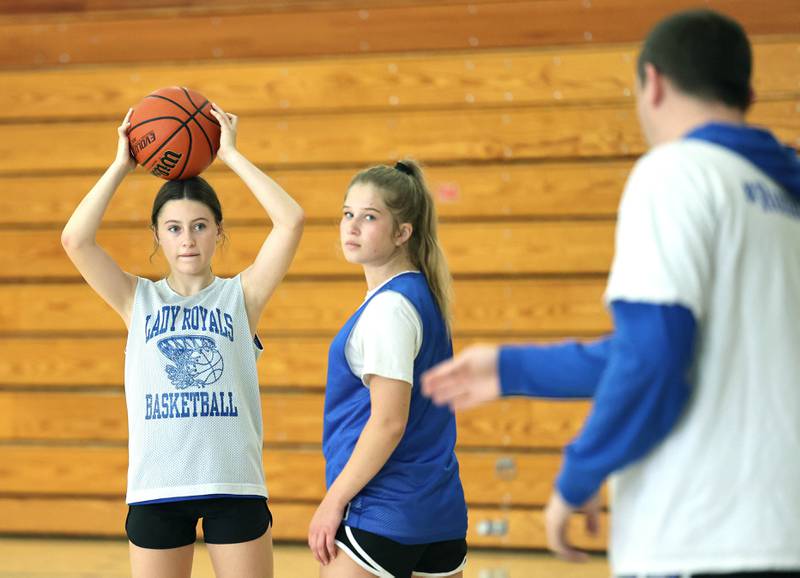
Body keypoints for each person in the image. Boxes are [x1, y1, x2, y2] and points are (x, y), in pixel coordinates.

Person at [421, 9, 800, 578]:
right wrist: (512, 368)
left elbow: (655, 360)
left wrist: (583, 469)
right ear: (748, 92)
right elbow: (677, 352)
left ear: (653, 82)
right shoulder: (783, 197)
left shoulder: (676, 173)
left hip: (700, 536)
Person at [61, 103, 304, 578]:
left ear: (218, 232)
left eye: (199, 226)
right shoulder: (137, 299)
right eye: (174, 228)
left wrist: (229, 153)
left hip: (233, 485)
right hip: (157, 488)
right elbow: (75, 240)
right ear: (158, 235)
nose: (187, 239)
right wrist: (120, 166)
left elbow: (291, 220)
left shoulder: (242, 296)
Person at [308, 160, 468, 578]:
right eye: (347, 214)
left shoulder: (389, 310)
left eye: (370, 217)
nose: (352, 226)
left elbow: (388, 422)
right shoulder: (421, 298)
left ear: (403, 232)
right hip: (440, 515)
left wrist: (333, 501)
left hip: (380, 511)